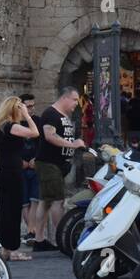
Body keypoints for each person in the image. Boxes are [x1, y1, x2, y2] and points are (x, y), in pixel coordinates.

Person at [32, 86, 85, 252]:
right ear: (65, 98)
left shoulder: (63, 116)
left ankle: (39, 240)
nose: (77, 103)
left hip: (58, 164)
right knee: (57, 201)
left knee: (45, 201)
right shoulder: (50, 113)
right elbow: (49, 136)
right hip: (49, 163)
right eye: (75, 100)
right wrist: (72, 144)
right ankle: (63, 238)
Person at [0, 96, 39, 261]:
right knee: (12, 213)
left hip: (4, 172)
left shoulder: (0, 127)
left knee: (6, 211)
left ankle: (6, 249)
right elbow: (35, 132)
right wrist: (28, 115)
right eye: (21, 108)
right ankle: (10, 249)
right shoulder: (11, 126)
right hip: (12, 173)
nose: (24, 110)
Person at [19, 93, 41, 242]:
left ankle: (31, 231)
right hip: (20, 168)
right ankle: (31, 231)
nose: (32, 109)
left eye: (33, 106)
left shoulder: (38, 121)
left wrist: (36, 159)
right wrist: (20, 161)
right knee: (24, 202)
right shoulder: (14, 124)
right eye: (28, 106)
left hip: (35, 166)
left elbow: (43, 142)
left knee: (34, 200)